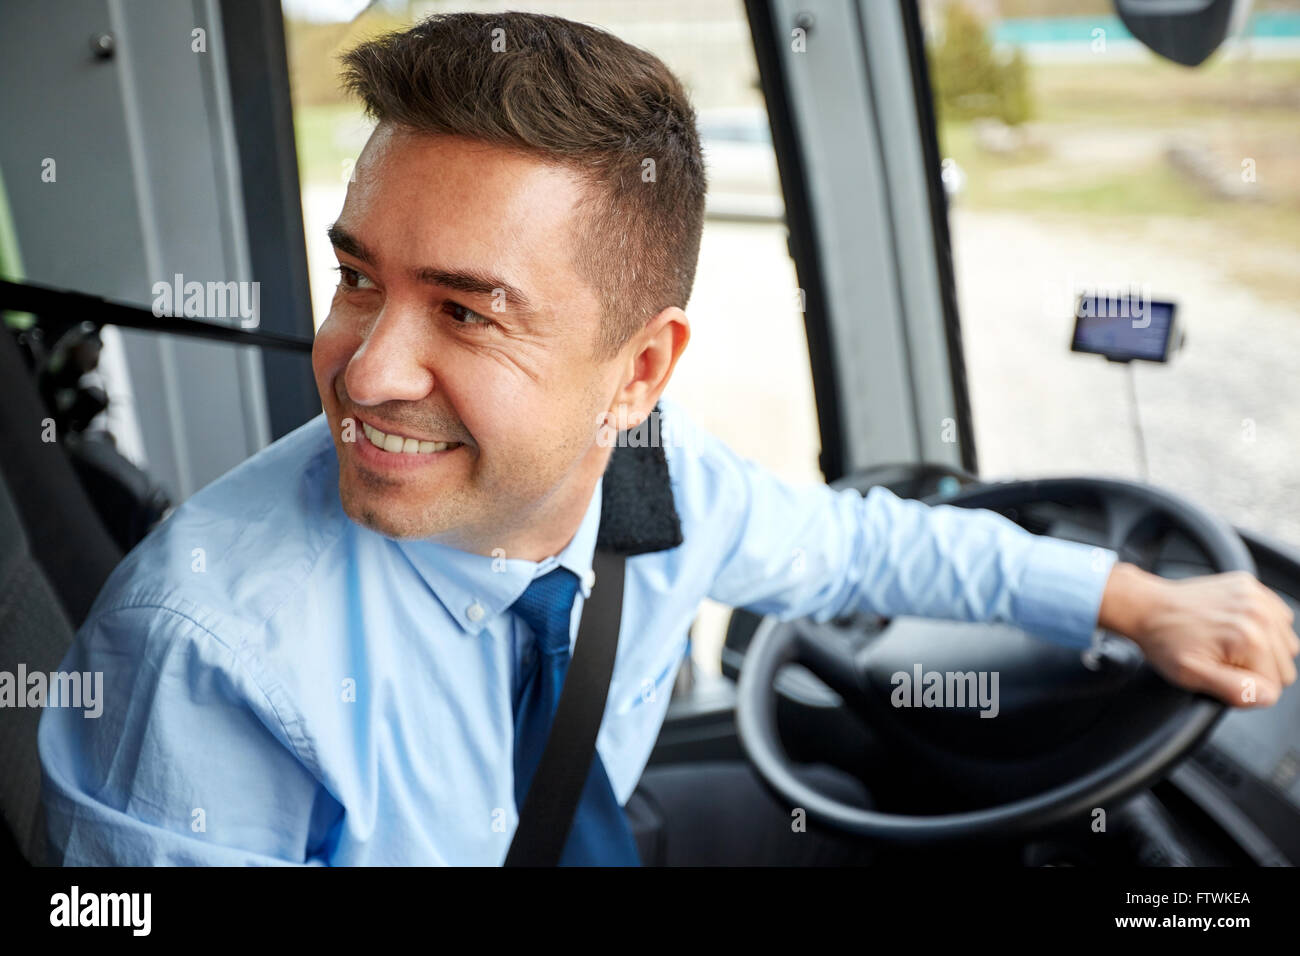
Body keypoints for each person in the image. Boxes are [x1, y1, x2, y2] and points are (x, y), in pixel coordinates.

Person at [37, 11, 1296, 866]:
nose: (363, 369)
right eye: (358, 277)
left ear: (637, 373)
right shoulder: (212, 655)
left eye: (466, 309)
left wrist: (1132, 600)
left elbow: (862, 551)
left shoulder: (655, 481)